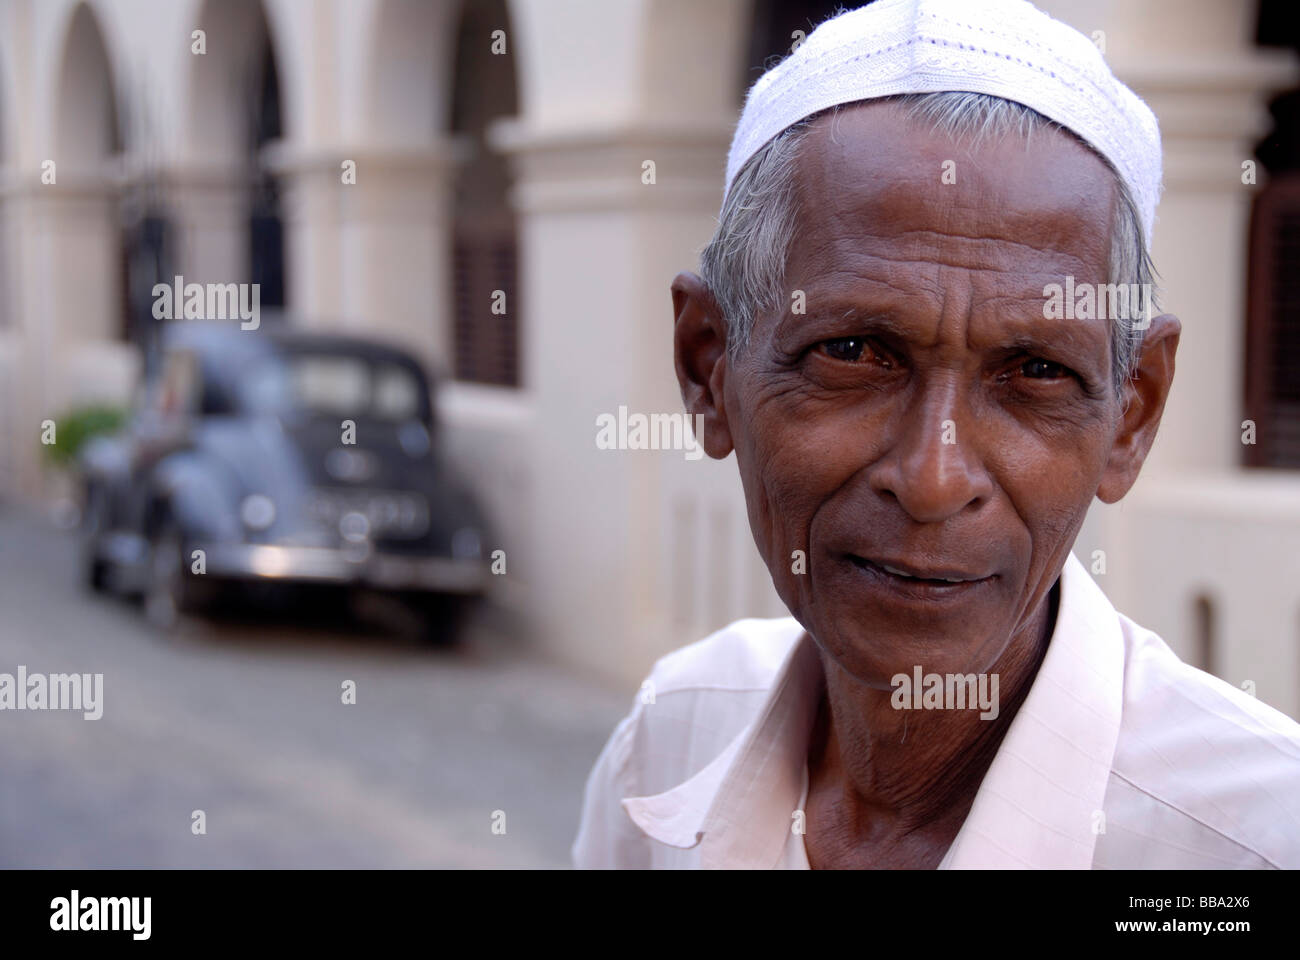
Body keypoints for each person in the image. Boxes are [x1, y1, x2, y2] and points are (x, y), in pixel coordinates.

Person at [573, 0, 1300, 868]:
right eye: (851, 353)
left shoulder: (1254, 842)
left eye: (1035, 372)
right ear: (710, 368)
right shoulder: (673, 730)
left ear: (1130, 414)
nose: (931, 479)